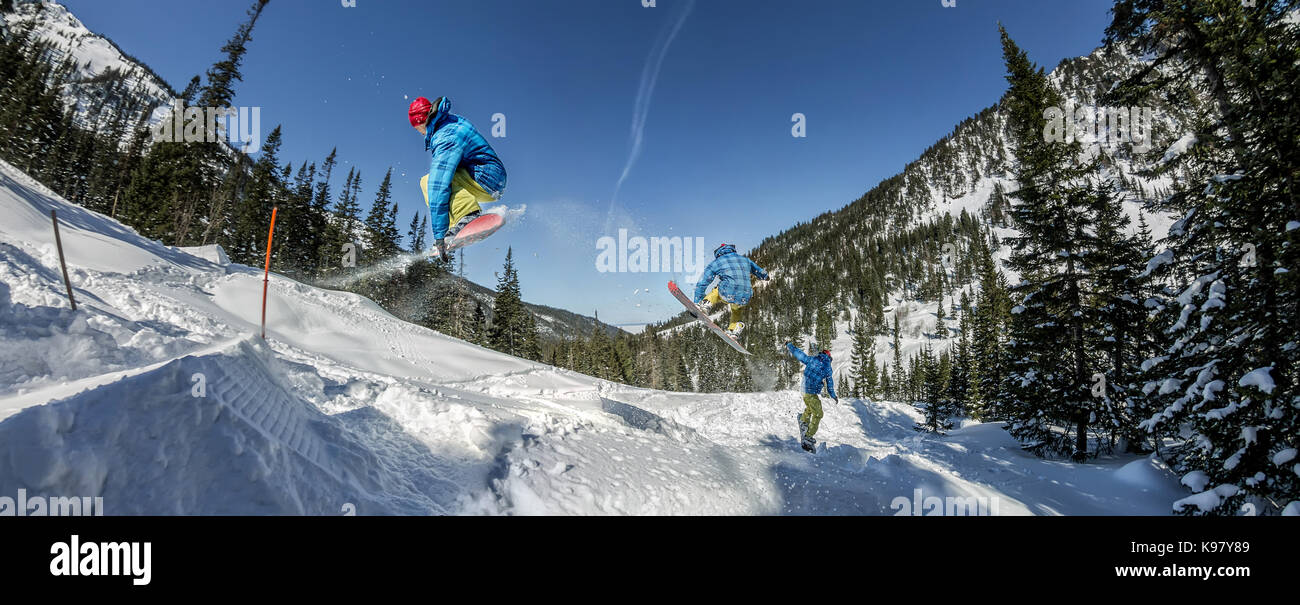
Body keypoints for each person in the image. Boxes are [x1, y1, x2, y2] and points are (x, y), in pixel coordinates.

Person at [408, 96, 507, 257]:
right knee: (436, 179)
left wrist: (439, 235)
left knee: (429, 182)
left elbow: (439, 184)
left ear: (421, 122)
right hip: (489, 177)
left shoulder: (445, 136)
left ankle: (468, 216)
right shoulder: (448, 123)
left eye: (417, 128)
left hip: (488, 178)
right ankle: (457, 226)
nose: (419, 132)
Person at [692, 243, 769, 337]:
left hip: (728, 292)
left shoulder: (717, 262)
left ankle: (706, 303)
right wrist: (766, 276)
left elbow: (703, 282)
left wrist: (697, 302)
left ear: (718, 253)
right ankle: (734, 328)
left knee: (716, 290)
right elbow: (760, 271)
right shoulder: (745, 260)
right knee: (736, 309)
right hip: (746, 295)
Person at [785, 342, 838, 452]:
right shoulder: (827, 367)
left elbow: (800, 355)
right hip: (811, 392)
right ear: (829, 358)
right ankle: (808, 437)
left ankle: (803, 420)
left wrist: (789, 346)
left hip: (804, 390)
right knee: (818, 413)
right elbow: (830, 384)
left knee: (811, 407)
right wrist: (833, 396)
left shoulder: (813, 359)